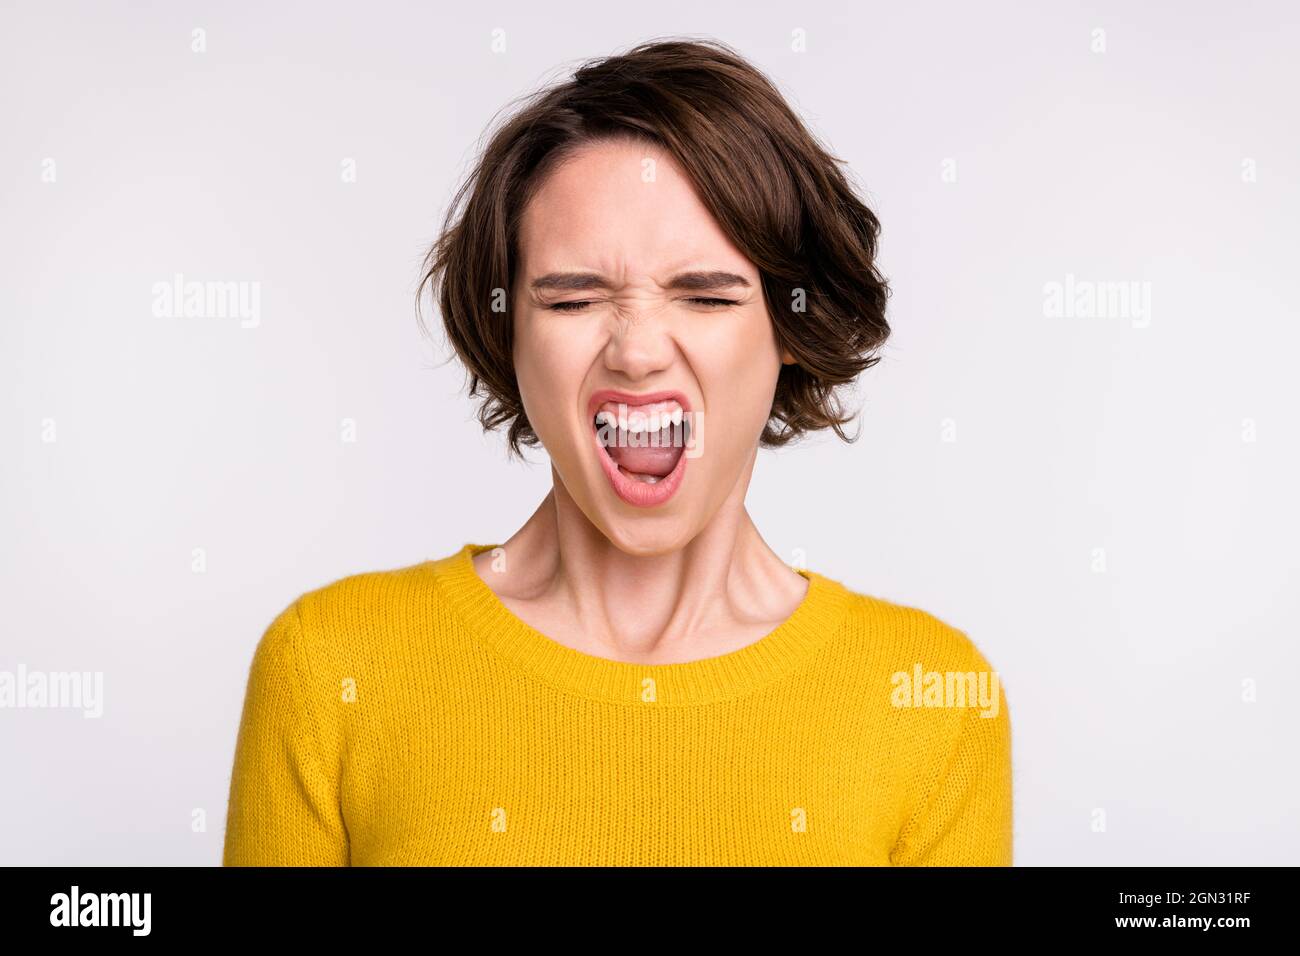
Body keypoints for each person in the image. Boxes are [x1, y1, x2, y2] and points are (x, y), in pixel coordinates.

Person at [222, 37, 1012, 866]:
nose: (636, 351)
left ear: (788, 327)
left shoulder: (931, 700)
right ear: (510, 333)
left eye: (705, 296)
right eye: (573, 299)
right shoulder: (327, 669)